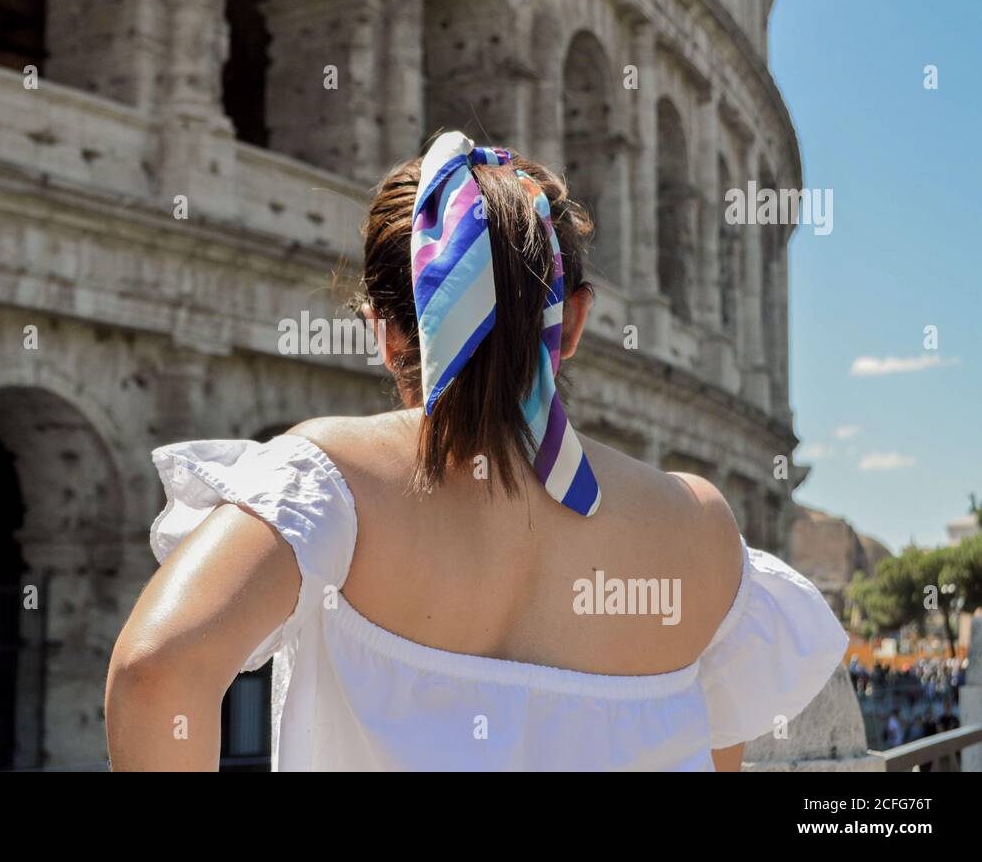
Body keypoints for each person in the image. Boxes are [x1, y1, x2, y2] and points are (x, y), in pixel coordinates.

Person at [105, 132, 849, 771]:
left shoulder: (331, 482)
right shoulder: (699, 526)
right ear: (574, 321)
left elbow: (153, 670)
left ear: (386, 332)